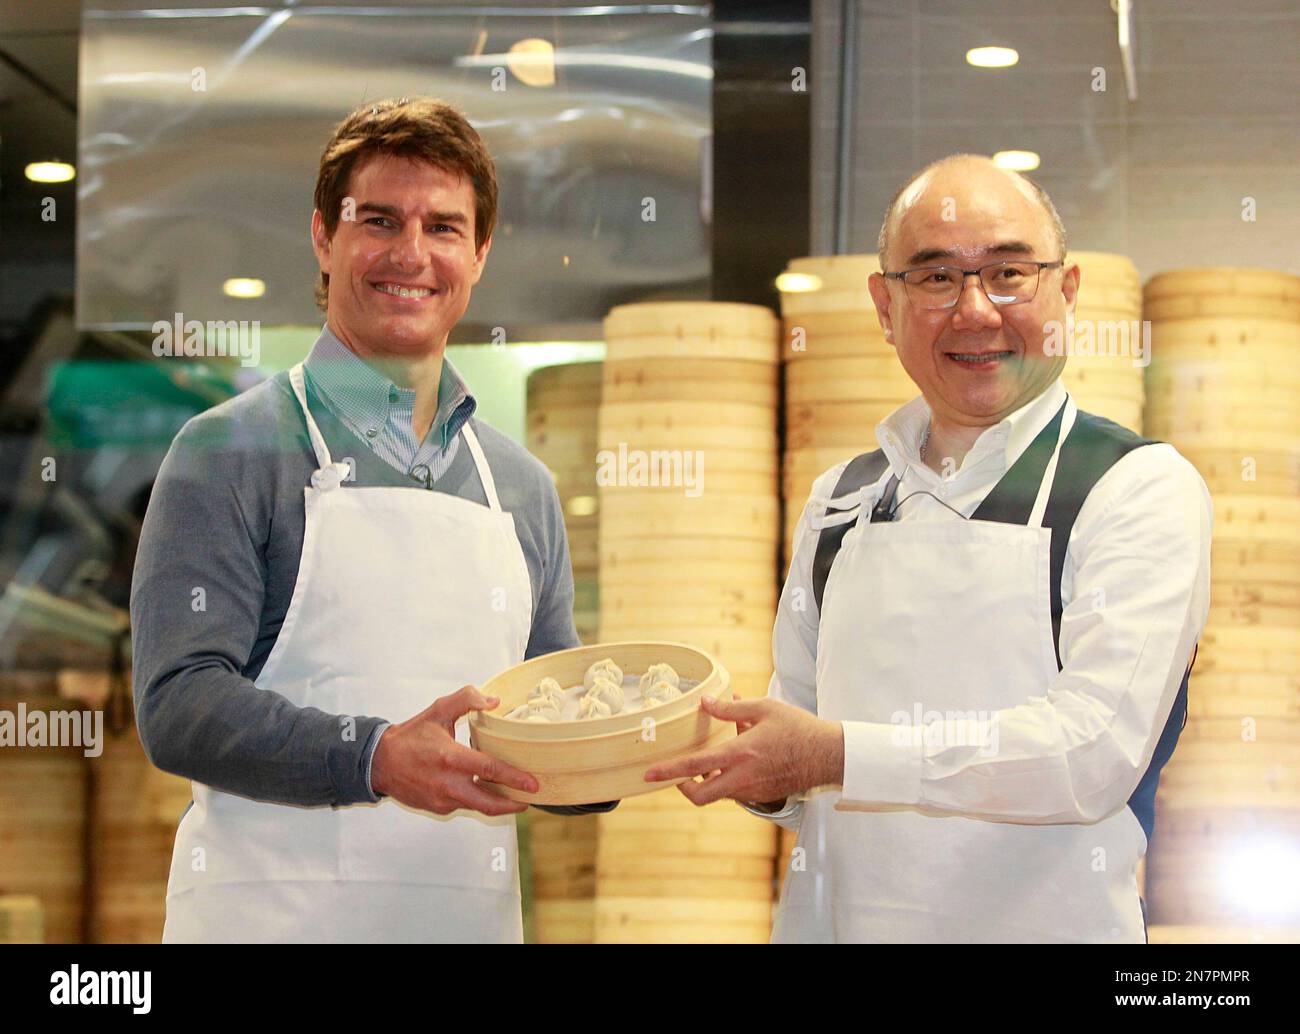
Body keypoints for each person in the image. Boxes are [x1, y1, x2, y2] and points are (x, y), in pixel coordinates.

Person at [645, 154, 1212, 943]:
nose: (975, 310)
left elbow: (1091, 754)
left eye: (1010, 272)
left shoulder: (1134, 487)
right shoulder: (841, 500)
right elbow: (804, 740)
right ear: (885, 305)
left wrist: (834, 755)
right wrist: (745, 767)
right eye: (937, 278)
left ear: (1067, 293)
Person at [131, 96, 608, 944]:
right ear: (324, 236)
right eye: (379, 220)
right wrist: (377, 756)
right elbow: (180, 703)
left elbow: (549, 728)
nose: (412, 255)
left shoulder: (521, 489)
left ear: (481, 252)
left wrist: (637, 746)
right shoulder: (226, 452)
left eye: (444, 228)